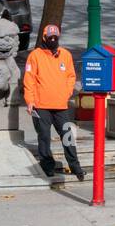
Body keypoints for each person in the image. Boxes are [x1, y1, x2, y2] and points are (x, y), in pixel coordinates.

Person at [23, 24, 85, 181]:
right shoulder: (35, 56)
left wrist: (67, 92)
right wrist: (30, 101)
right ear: (44, 38)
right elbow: (29, 79)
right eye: (50, 37)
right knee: (44, 137)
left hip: (60, 106)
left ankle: (75, 167)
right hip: (41, 105)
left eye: (55, 38)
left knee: (67, 136)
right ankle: (47, 167)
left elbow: (71, 76)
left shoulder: (65, 55)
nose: (52, 40)